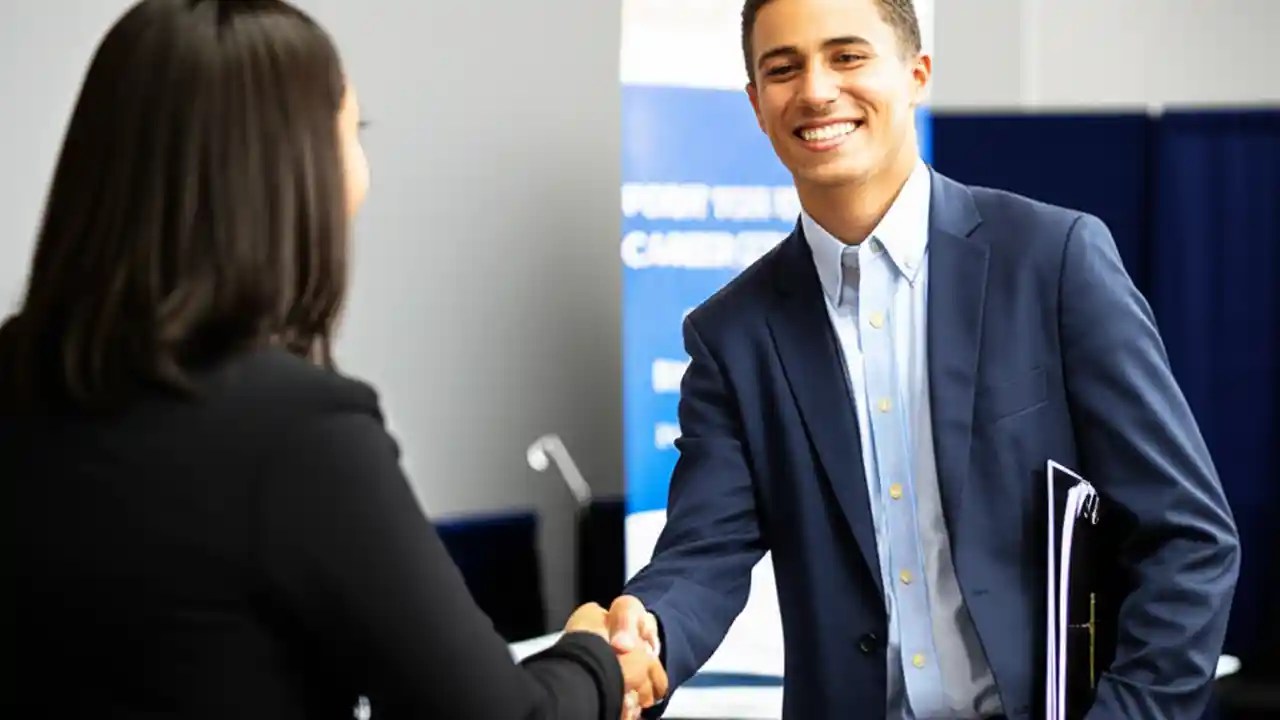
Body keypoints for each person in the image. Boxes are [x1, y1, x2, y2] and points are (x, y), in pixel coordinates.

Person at [1, 1, 666, 718]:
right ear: (289, 178)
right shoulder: (296, 433)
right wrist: (594, 657)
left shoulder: (16, 375)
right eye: (353, 135)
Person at [584, 0, 1240, 718]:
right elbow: (702, 556)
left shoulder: (1053, 263)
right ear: (757, 106)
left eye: (848, 56)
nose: (815, 89)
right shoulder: (732, 334)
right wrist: (648, 631)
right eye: (783, 68)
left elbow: (1188, 541)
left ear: (916, 73)